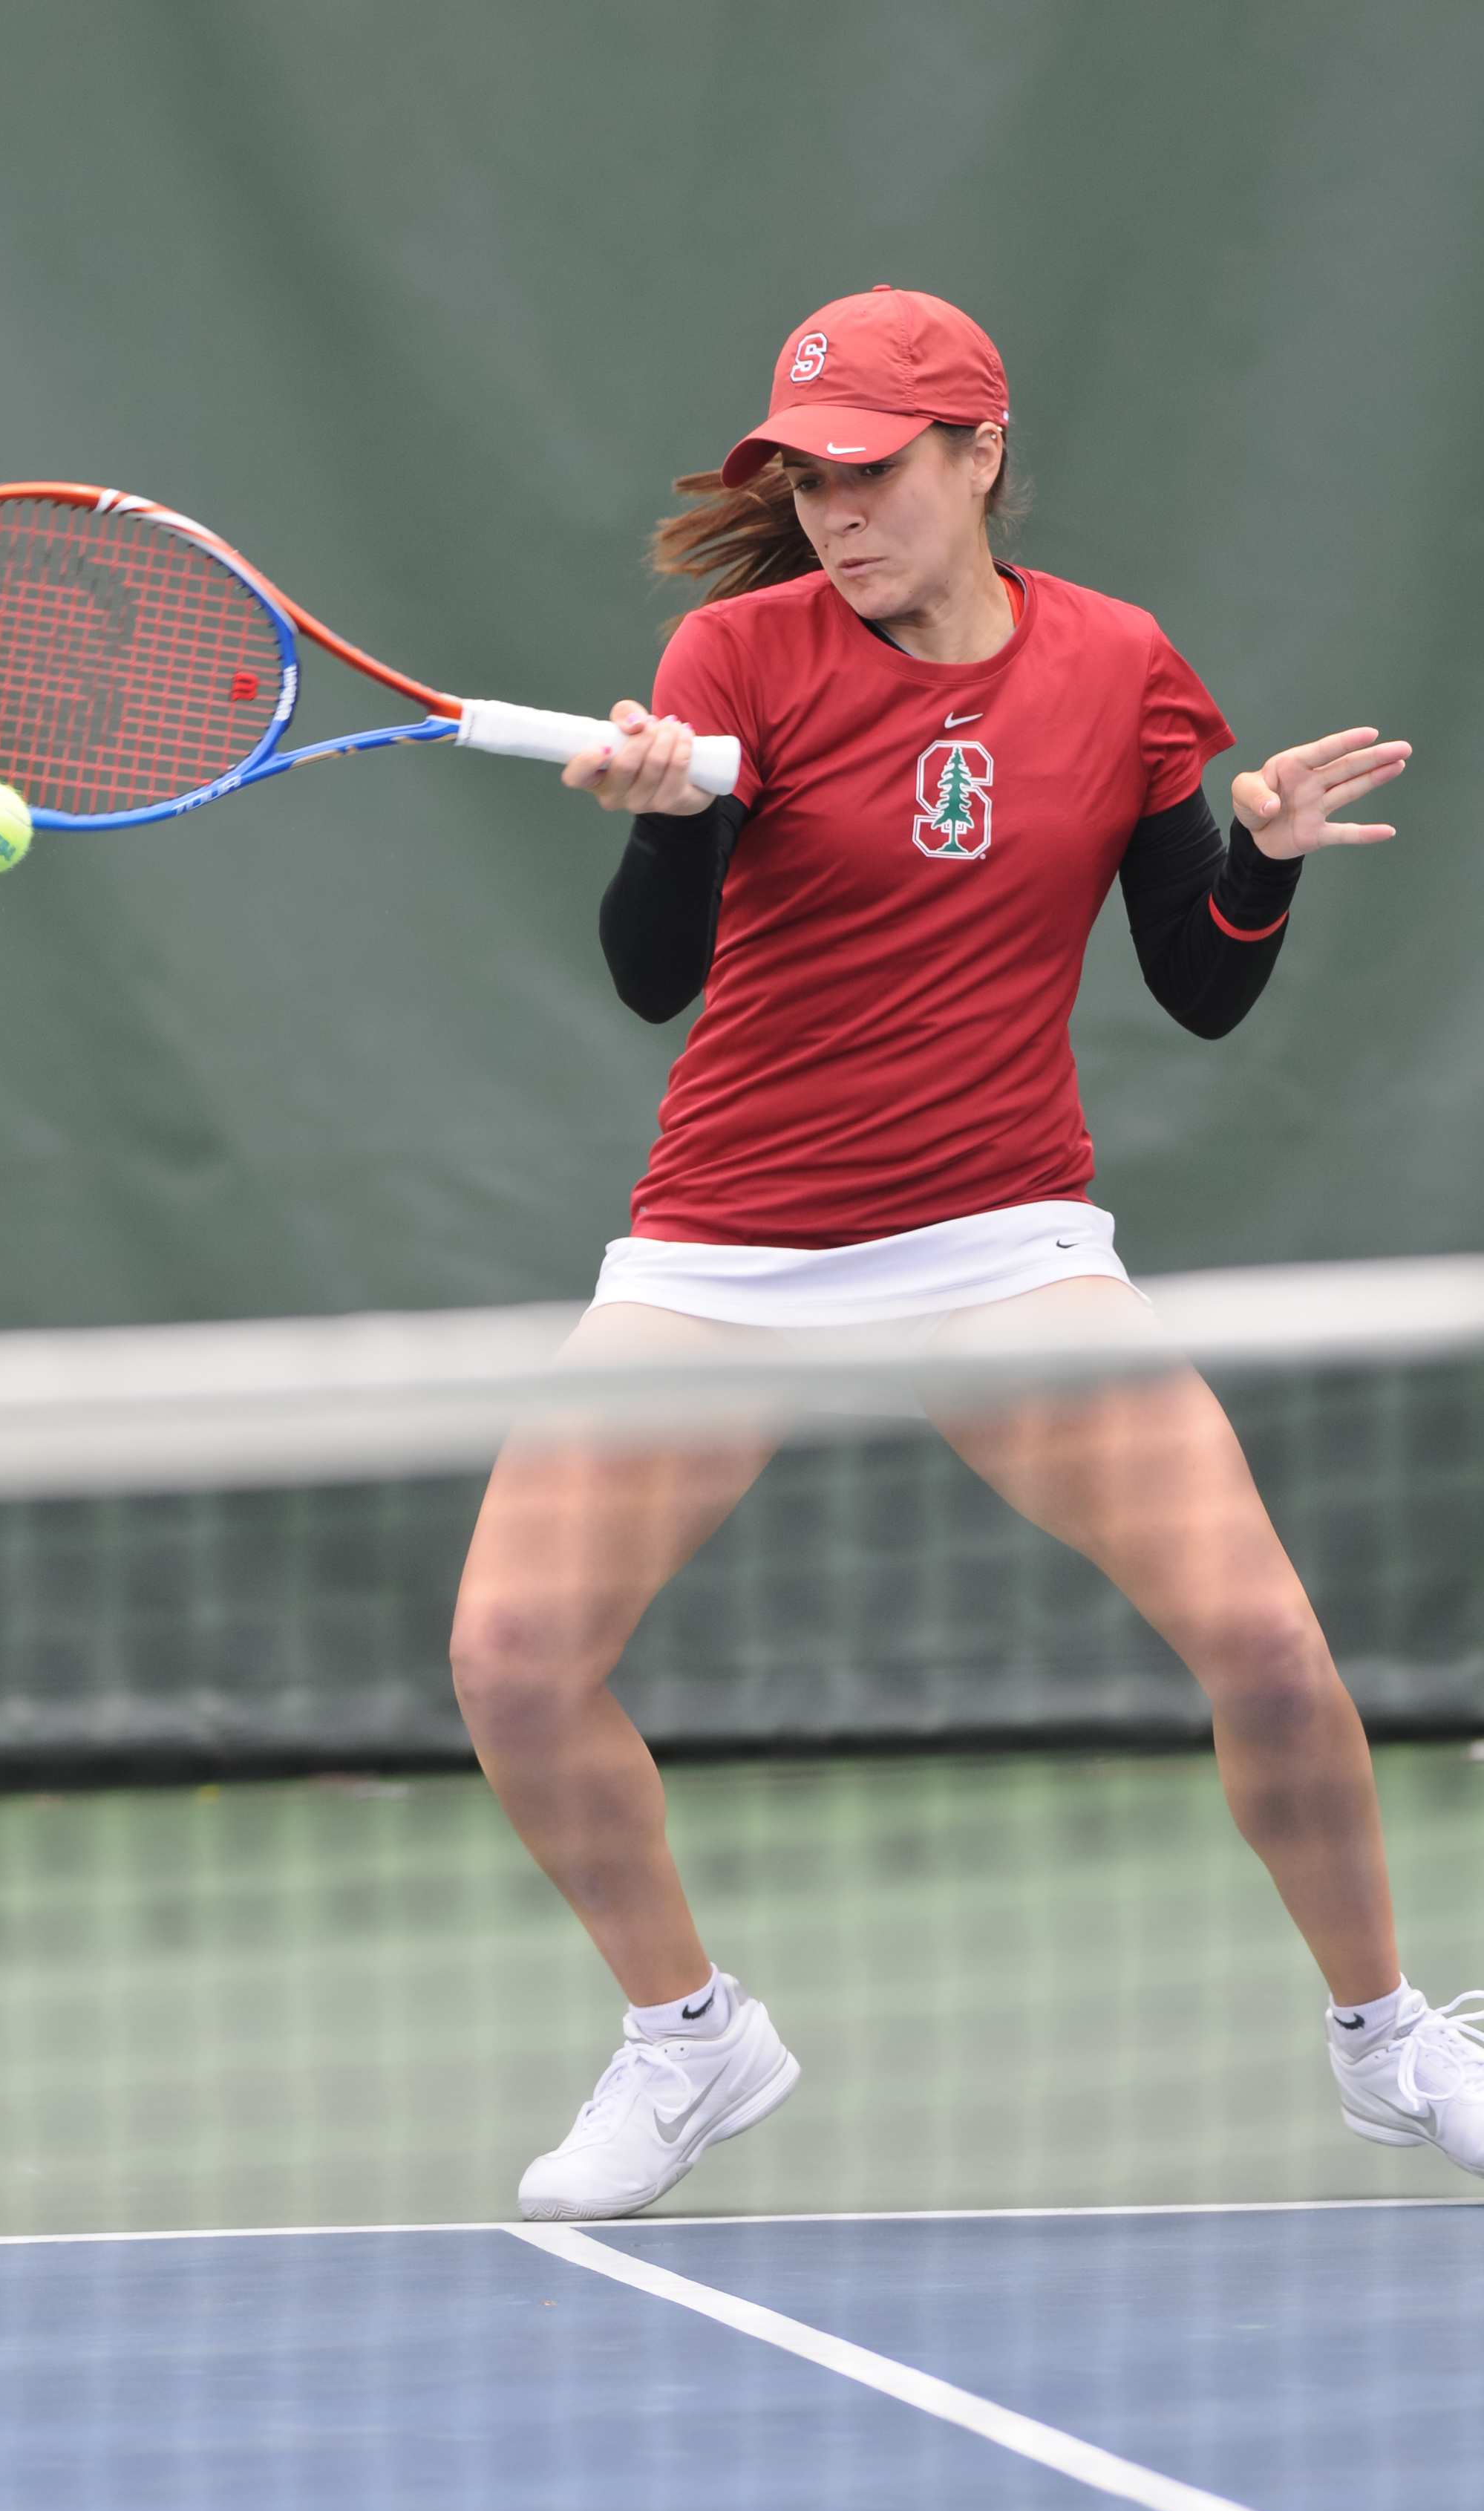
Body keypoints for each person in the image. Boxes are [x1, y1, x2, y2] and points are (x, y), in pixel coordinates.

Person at [451, 285, 1484, 2222]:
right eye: (805, 478)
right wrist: (669, 824)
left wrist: (1250, 854)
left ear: (979, 453)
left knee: (1264, 1642)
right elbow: (647, 977)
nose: (836, 513)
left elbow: (1196, 990)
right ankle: (688, 2039)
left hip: (999, 1236)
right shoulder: (737, 652)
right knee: (512, 1659)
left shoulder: (1118, 668)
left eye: (873, 472)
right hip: (728, 1248)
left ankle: (1392, 2041)